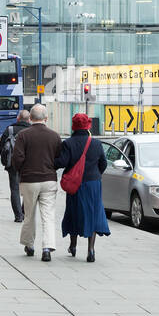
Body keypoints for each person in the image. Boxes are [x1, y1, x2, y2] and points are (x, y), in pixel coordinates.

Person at [12, 104, 62, 262]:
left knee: (29, 214)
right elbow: (59, 159)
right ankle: (47, 248)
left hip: (29, 180)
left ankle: (29, 244)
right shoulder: (54, 136)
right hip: (49, 180)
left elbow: (17, 159)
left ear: (31, 118)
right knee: (48, 215)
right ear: (46, 118)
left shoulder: (23, 135)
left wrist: (21, 170)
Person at [57, 112, 109, 262]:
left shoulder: (68, 143)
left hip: (75, 184)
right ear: (87, 125)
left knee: (74, 212)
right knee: (93, 213)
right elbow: (103, 164)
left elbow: (62, 162)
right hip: (93, 183)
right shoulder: (96, 143)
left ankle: (73, 246)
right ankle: (91, 250)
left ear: (73, 126)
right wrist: (95, 174)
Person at [0, 108, 32, 222]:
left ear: (18, 118)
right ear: (29, 119)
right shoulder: (32, 130)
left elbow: (1, 146)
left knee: (15, 189)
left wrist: (5, 160)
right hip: (28, 164)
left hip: (12, 164)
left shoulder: (10, 129)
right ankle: (24, 211)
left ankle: (18, 216)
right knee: (28, 190)